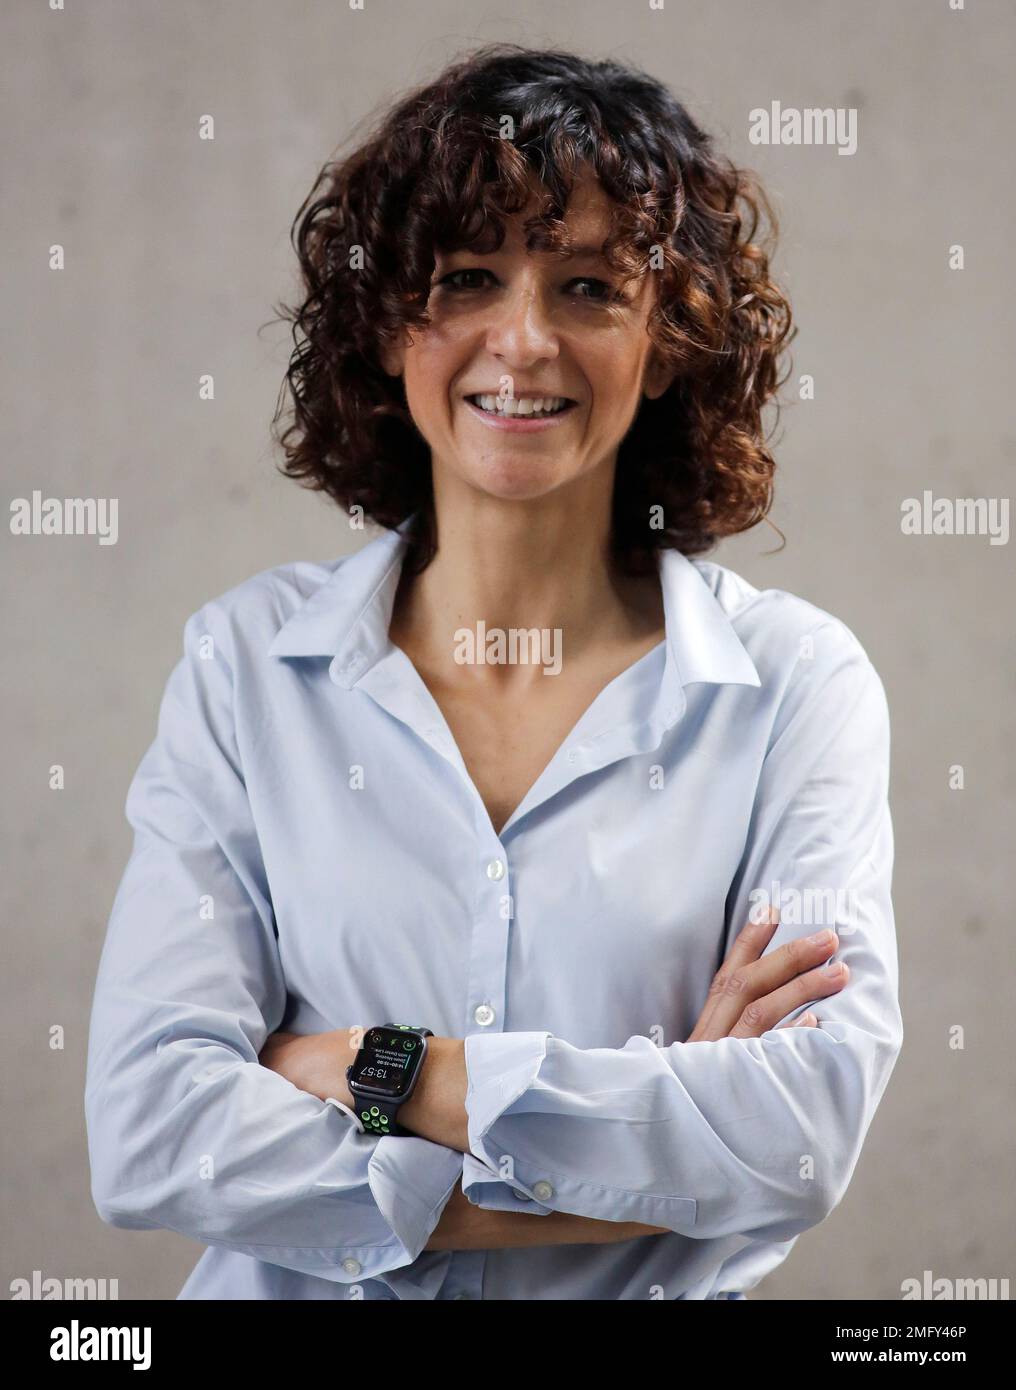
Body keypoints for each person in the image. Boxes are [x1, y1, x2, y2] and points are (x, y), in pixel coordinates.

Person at [84, 44, 903, 1301]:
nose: (520, 343)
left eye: (585, 286)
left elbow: (796, 1132)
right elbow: (151, 1131)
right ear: (383, 321)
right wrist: (648, 1163)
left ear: (669, 337)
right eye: (466, 278)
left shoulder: (794, 685)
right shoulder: (246, 666)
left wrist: (380, 1068)